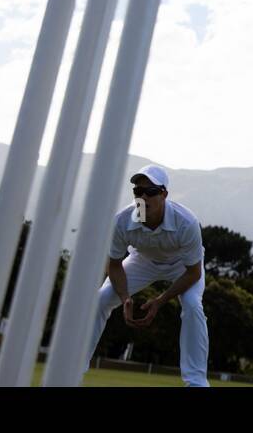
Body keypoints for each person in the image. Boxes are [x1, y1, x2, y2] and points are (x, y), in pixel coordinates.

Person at [85, 165, 209, 387]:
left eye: (150, 192)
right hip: (143, 261)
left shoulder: (187, 222)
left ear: (164, 194)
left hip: (184, 266)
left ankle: (197, 382)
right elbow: (113, 265)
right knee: (101, 299)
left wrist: (160, 301)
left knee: (192, 305)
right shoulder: (122, 221)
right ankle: (73, 371)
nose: (143, 197)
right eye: (137, 191)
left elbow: (194, 272)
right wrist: (125, 298)